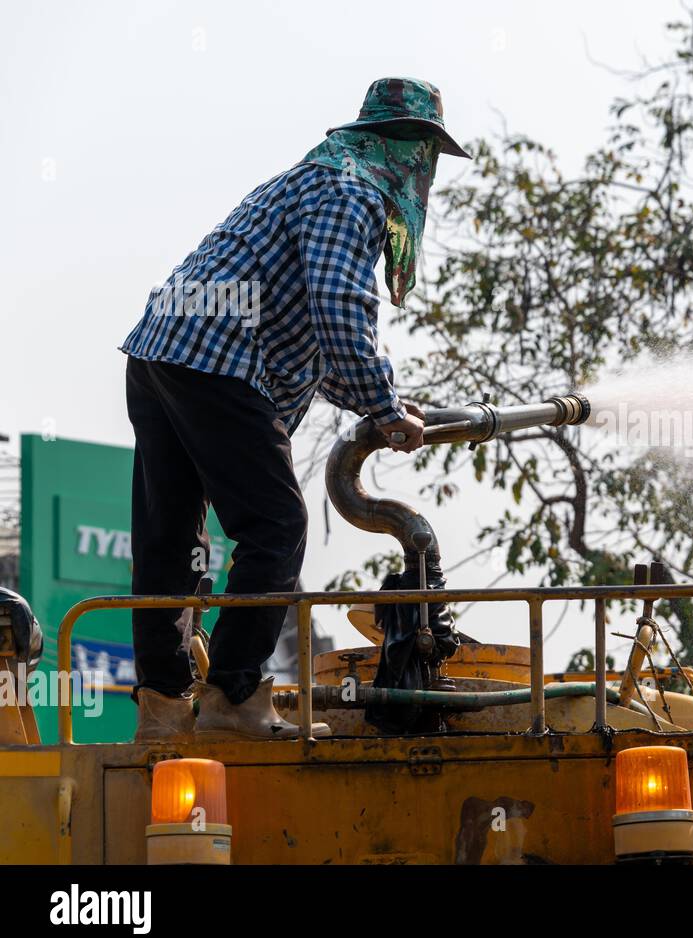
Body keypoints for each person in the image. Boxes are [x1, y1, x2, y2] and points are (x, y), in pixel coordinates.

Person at [120, 77, 470, 741]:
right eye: (424, 158)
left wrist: (383, 399)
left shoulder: (312, 176)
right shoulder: (355, 190)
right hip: (217, 357)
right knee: (276, 523)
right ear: (409, 152)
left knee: (170, 540)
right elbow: (338, 305)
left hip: (164, 347)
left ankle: (162, 711)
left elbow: (308, 339)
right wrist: (386, 409)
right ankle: (234, 698)